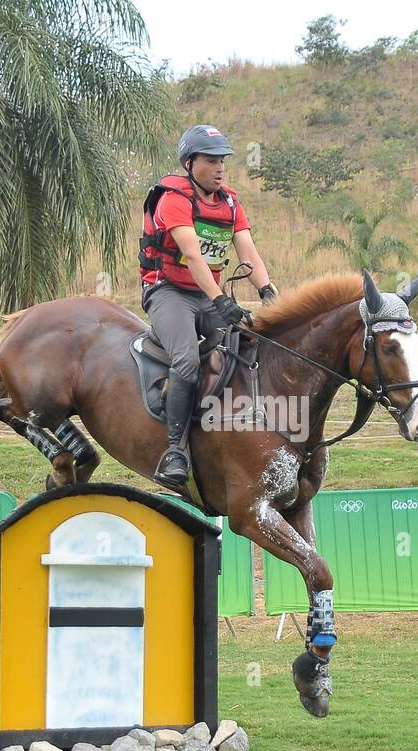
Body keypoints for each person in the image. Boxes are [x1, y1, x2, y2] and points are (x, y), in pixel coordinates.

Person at [138, 124, 279, 490]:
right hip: (168, 291)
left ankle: (237, 432)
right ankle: (175, 451)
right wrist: (220, 300)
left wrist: (267, 292)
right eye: (211, 160)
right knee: (185, 359)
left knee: (247, 349)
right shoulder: (173, 198)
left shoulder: (231, 202)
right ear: (190, 163)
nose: (219, 168)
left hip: (206, 295)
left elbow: (248, 253)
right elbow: (192, 254)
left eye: (222, 161)